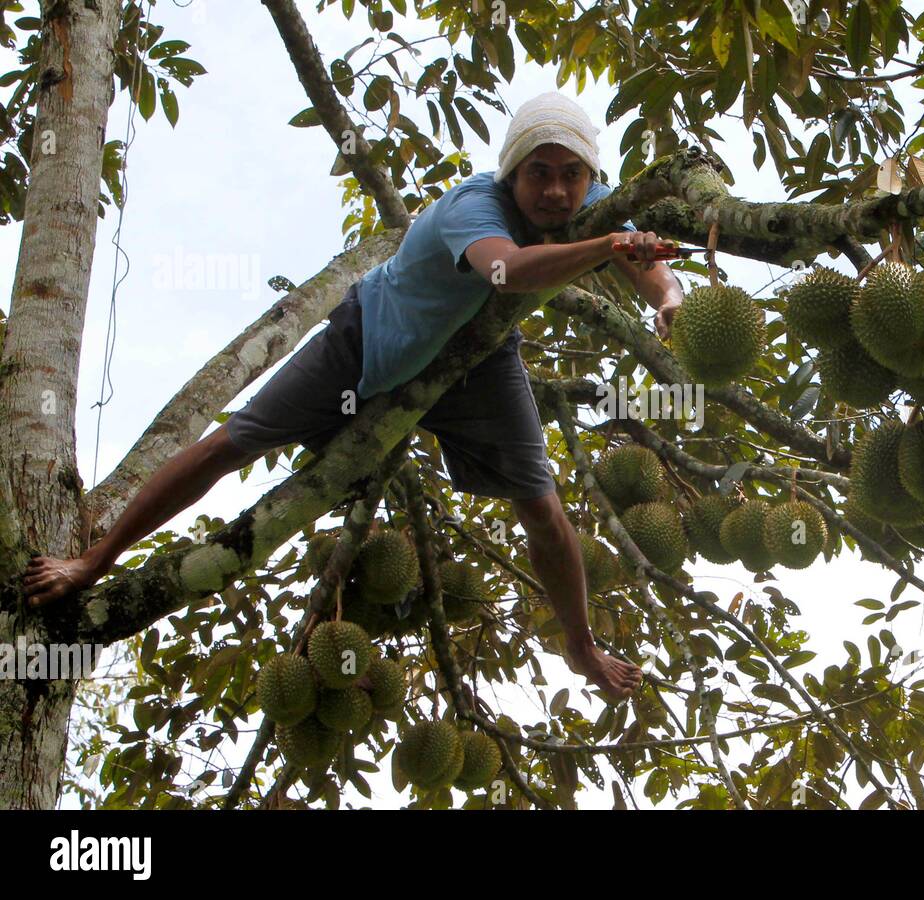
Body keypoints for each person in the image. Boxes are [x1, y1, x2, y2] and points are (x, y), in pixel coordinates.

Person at [23, 91, 684, 700]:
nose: (558, 190)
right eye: (539, 172)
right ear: (512, 171)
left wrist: (669, 297)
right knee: (234, 442)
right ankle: (93, 560)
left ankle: (579, 645)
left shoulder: (591, 202)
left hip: (473, 358)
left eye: (572, 174)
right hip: (369, 341)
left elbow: (640, 252)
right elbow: (507, 271)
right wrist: (612, 241)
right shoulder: (473, 206)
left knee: (541, 505)